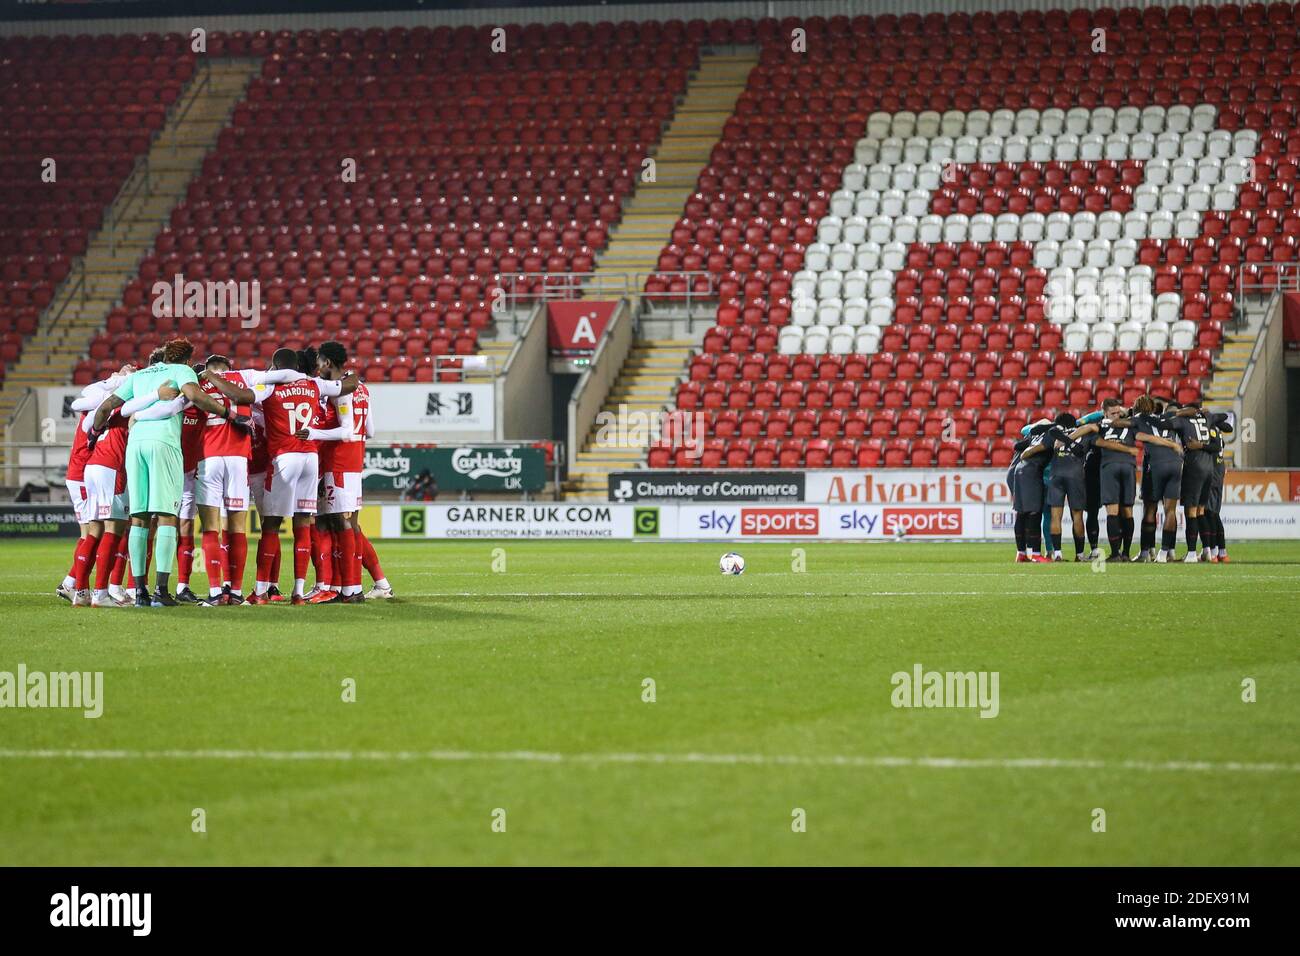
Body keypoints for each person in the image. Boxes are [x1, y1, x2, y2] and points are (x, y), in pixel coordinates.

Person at [90, 338, 240, 607]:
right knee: (168, 516)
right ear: (185, 359)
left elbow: (105, 406)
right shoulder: (180, 371)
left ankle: (140, 593)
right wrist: (227, 413)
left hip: (135, 445)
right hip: (164, 444)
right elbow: (196, 396)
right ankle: (161, 591)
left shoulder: (141, 375)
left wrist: (94, 433)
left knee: (139, 518)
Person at [1043, 413, 1097, 561]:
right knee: (1077, 516)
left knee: (1055, 516)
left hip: (1055, 476)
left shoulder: (1054, 434)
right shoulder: (1085, 433)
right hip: (1076, 476)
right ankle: (1079, 555)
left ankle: (1058, 554)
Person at [1008, 419, 1053, 563]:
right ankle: (1036, 554)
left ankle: (1021, 553)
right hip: (1031, 473)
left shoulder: (1033, 436)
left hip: (1018, 471)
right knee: (1034, 513)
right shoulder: (1051, 435)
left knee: (1021, 514)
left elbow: (1017, 445)